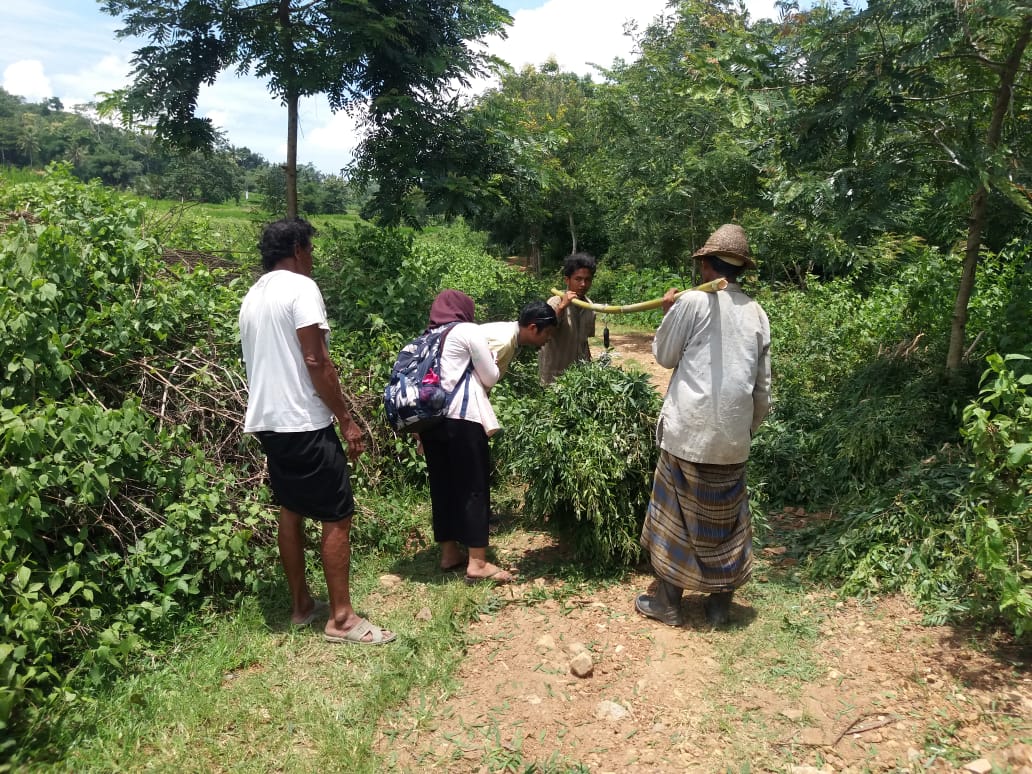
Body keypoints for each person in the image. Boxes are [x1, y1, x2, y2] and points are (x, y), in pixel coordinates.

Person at [239, 217, 395, 645]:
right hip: (303, 421)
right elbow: (316, 361)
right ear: (297, 249)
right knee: (337, 514)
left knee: (290, 509)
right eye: (309, 250)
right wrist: (346, 419)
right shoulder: (301, 288)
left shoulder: (253, 295)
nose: (312, 258)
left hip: (268, 422)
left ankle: (301, 605)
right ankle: (341, 618)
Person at [635, 224, 771, 628]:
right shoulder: (758, 314)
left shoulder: (692, 303)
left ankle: (669, 604)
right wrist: (746, 431)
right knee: (725, 524)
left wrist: (668, 314)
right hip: (732, 440)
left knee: (675, 518)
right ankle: (718, 609)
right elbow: (762, 390)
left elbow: (663, 354)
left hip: (688, 434)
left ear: (708, 264)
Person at [417, 290, 514, 583]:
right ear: (464, 309)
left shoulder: (427, 337)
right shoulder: (468, 330)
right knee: (473, 486)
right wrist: (493, 362)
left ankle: (449, 553)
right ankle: (477, 562)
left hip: (430, 422)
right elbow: (490, 377)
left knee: (442, 485)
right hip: (463, 418)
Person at [539, 252, 597, 385]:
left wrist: (590, 368)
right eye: (578, 279)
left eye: (587, 280)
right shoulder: (554, 302)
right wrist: (562, 307)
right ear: (567, 280)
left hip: (579, 378)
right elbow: (546, 333)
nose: (583, 284)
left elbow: (584, 342)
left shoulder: (589, 306)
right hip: (555, 379)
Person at [480, 300, 559, 378]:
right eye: (547, 332)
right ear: (533, 328)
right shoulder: (503, 343)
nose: (549, 338)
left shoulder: (512, 337)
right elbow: (476, 377)